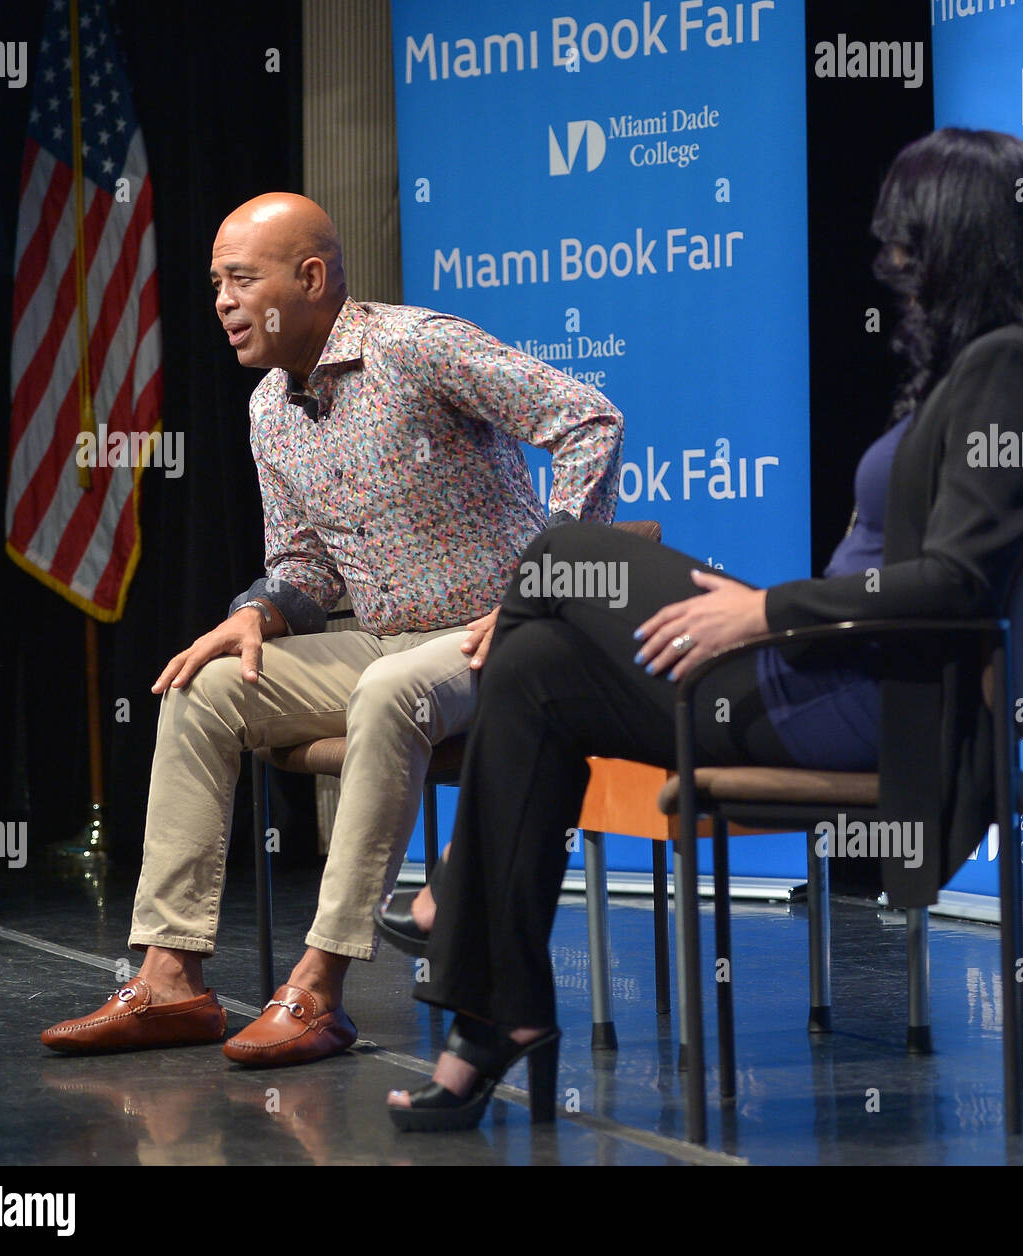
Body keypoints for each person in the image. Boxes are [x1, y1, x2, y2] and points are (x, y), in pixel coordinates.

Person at [381, 128, 1023, 1130]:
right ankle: (494, 1016)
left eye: (908, 232)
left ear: (962, 235)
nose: (890, 255)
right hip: (821, 677)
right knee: (534, 668)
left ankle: (459, 928)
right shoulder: (994, 364)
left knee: (551, 561)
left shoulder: (1008, 367)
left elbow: (959, 583)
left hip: (859, 701)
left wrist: (762, 610)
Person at [40, 193, 623, 1066]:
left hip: (497, 642)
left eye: (242, 279)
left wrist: (542, 590)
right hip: (386, 640)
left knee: (392, 689)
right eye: (214, 284)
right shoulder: (269, 409)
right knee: (202, 688)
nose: (223, 302)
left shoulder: (417, 346)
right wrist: (255, 614)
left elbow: (588, 420)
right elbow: (305, 565)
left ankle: (319, 989)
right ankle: (170, 980)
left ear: (310, 278)